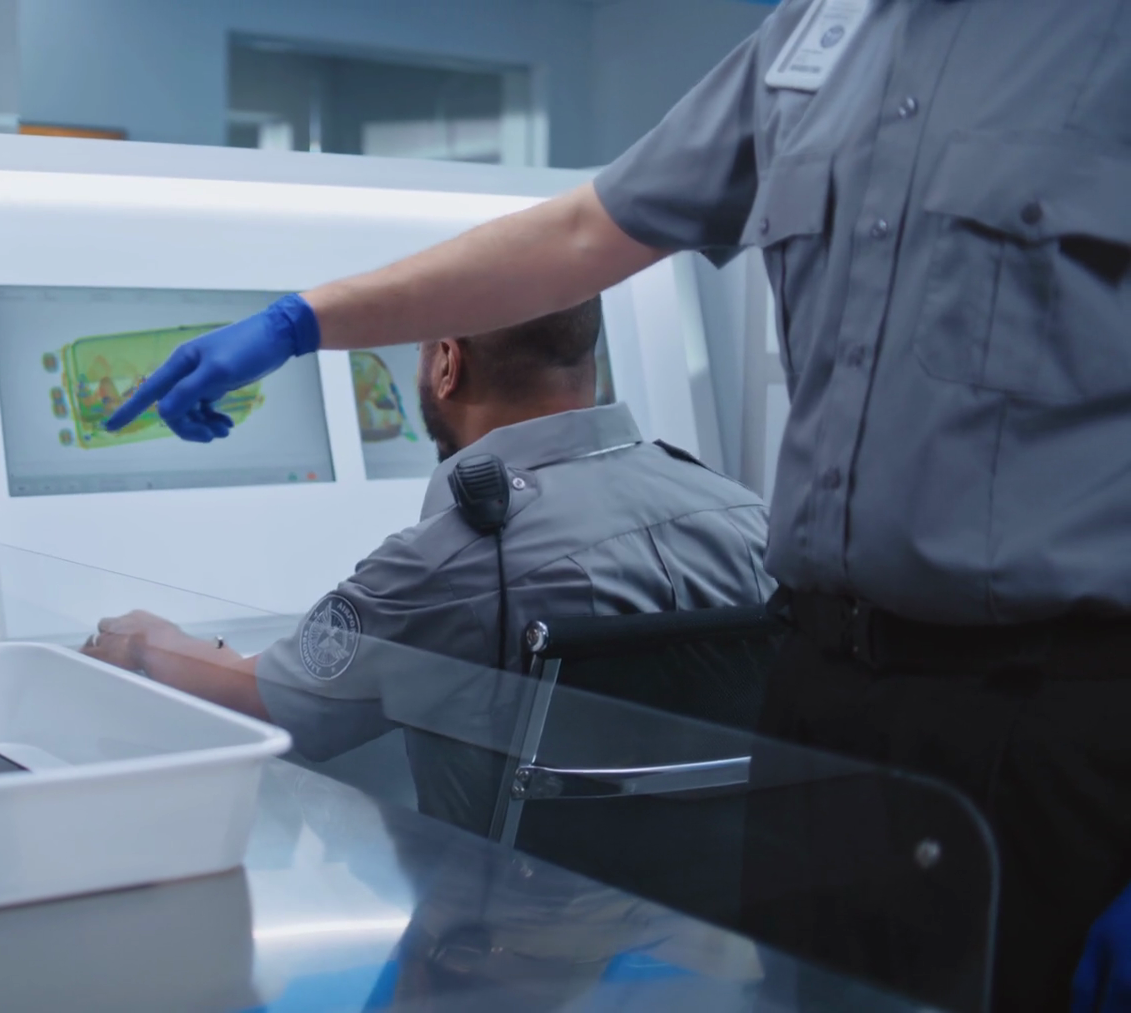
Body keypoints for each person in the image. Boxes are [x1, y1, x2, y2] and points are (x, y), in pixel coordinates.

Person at [106, 2, 1131, 1008]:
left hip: (1051, 712)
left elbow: (266, 700)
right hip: (824, 707)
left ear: (449, 364)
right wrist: (303, 321)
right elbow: (584, 228)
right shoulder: (818, 37)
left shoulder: (459, 552)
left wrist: (126, 644)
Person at [84, 301, 772, 832]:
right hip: (691, 952)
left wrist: (148, 640)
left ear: (447, 363)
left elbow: (262, 698)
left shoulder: (449, 563)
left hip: (493, 950)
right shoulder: (744, 516)